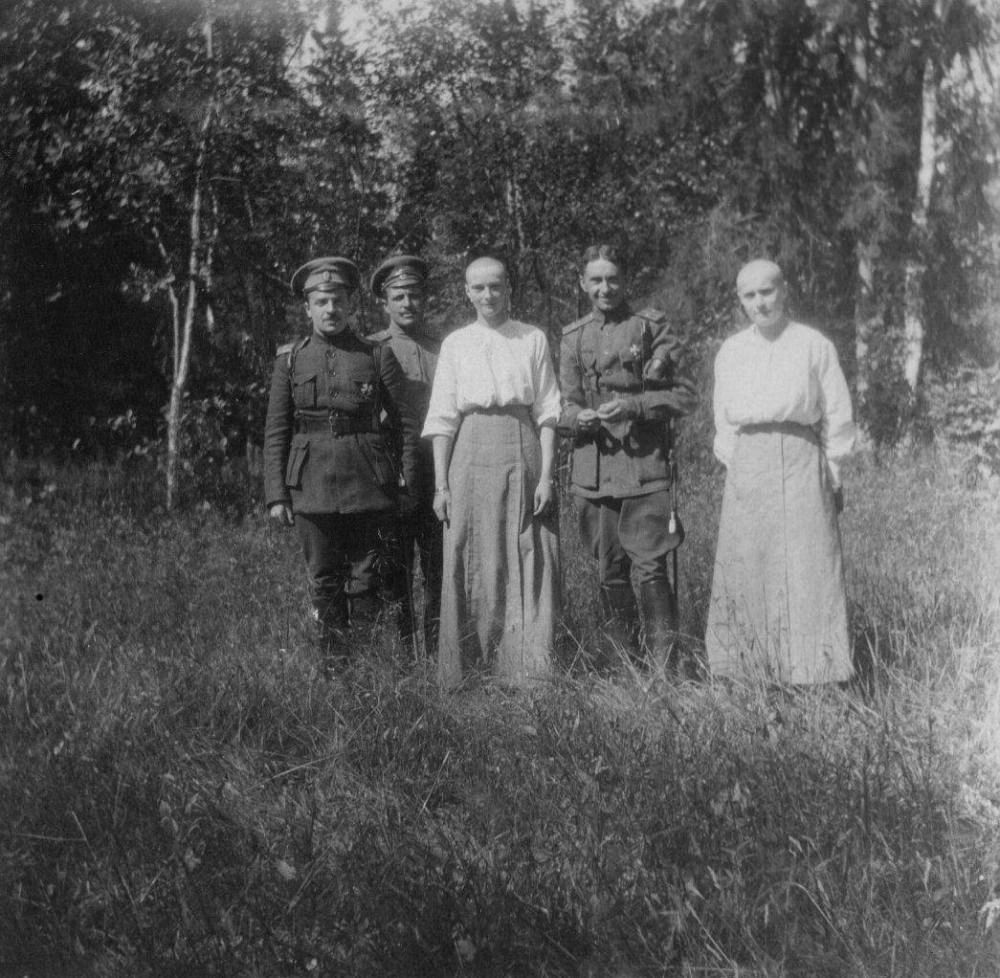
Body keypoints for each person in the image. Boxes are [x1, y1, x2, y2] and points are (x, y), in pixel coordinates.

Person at [263, 256, 419, 672]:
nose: (331, 310)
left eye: (338, 301)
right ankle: (335, 670)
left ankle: (366, 668)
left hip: (368, 484)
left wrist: (404, 484)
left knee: (366, 579)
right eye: (322, 302)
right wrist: (276, 495)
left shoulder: (375, 354)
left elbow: (405, 422)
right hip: (310, 487)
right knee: (323, 580)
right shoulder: (290, 360)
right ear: (308, 307)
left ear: (350, 305)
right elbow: (276, 429)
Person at [705, 258, 856, 685]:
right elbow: (724, 421)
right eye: (749, 295)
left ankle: (815, 672)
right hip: (749, 462)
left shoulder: (813, 344)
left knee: (807, 562)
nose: (760, 302)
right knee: (749, 563)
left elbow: (837, 412)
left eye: (767, 291)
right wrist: (743, 468)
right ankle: (747, 672)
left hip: (802, 457)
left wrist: (832, 468)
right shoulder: (732, 351)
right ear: (740, 301)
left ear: (784, 290)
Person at [422, 255, 561, 688]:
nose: (488, 296)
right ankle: (469, 668)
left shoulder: (532, 338)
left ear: (509, 288)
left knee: (528, 550)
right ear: (466, 292)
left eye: (496, 286)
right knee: (470, 550)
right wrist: (441, 484)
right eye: (478, 288)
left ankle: (527, 669)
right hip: (469, 452)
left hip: (521, 447)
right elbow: (442, 419)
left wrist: (547, 476)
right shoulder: (456, 344)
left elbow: (549, 412)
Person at [559, 244, 696, 669]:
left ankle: (665, 672)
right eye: (596, 280)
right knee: (609, 573)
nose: (605, 288)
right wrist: (578, 417)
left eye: (613, 279)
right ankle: (622, 667)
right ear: (583, 285)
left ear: (625, 281)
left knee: (651, 571)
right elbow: (563, 405)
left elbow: (685, 395)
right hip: (594, 473)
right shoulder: (572, 336)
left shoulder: (650, 327)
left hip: (644, 469)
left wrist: (635, 407)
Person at [368, 253, 443, 655]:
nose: (408, 303)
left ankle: (439, 655)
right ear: (384, 302)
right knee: (395, 570)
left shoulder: (444, 347)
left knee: (439, 569)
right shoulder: (372, 349)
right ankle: (403, 658)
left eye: (414, 294)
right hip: (394, 475)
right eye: (399, 296)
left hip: (439, 472)